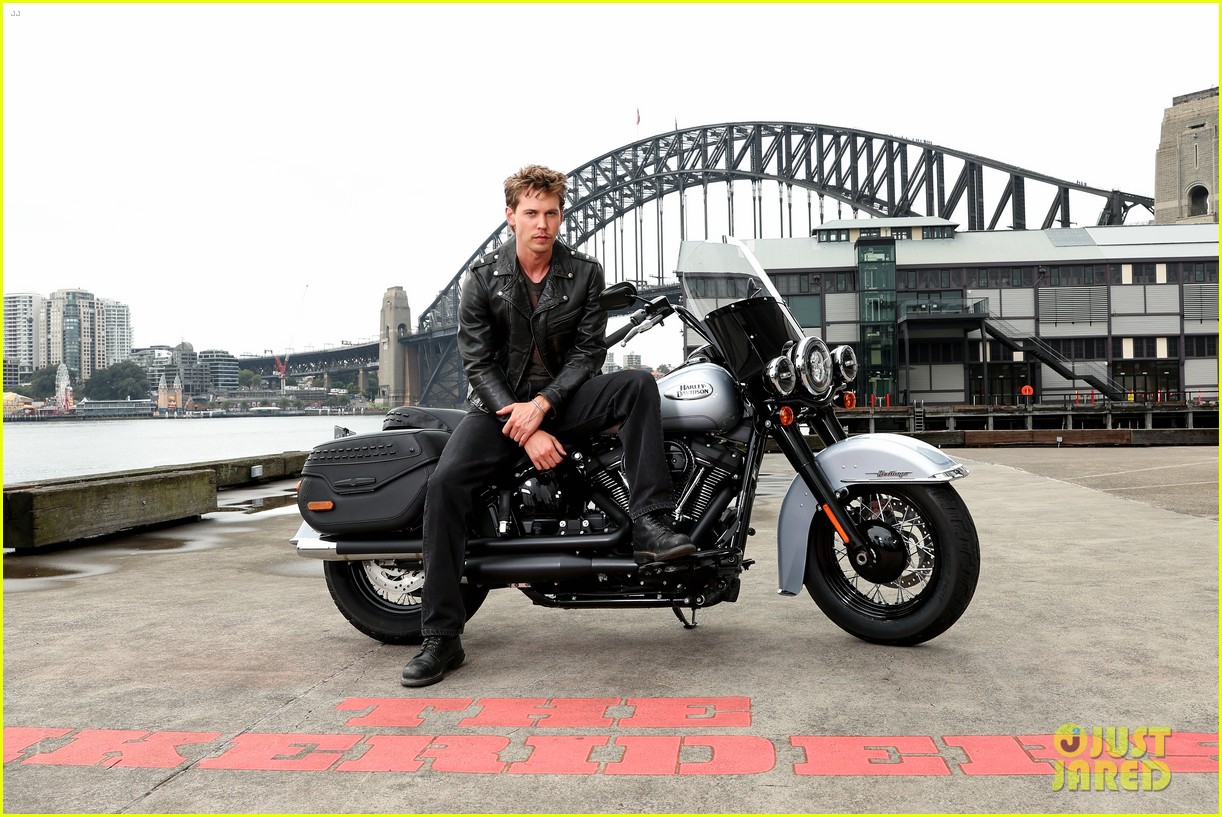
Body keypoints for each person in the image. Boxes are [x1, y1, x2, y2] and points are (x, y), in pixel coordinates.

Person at [401, 164, 695, 687]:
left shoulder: (584, 272)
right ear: (510, 216)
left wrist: (543, 404)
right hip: (497, 408)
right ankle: (441, 638)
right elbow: (479, 365)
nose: (543, 224)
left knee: (637, 384)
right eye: (531, 213)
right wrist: (526, 424)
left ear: (562, 216)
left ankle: (650, 522)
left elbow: (587, 355)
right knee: (445, 486)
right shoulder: (482, 280)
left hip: (564, 397)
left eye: (552, 213)